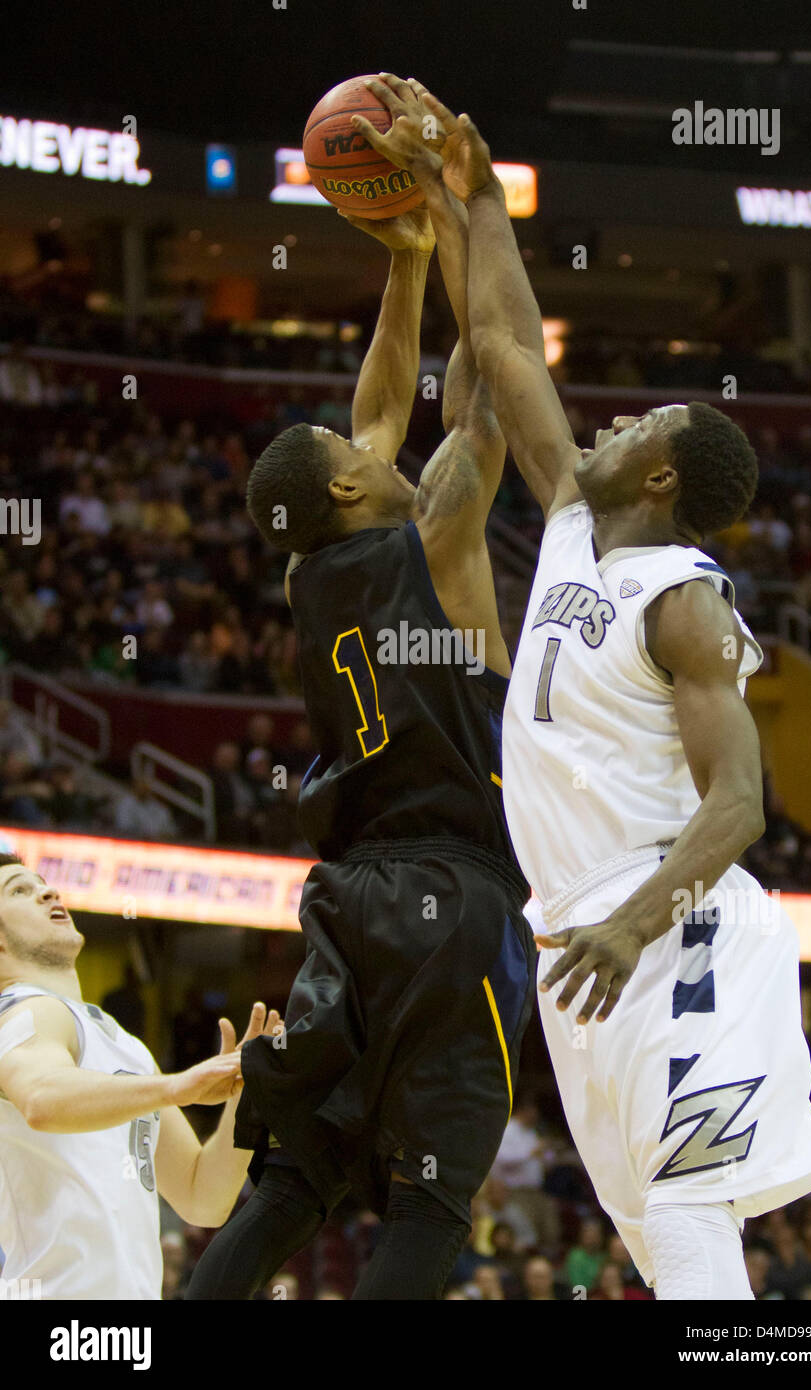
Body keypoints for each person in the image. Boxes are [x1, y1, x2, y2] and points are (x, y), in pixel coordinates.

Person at [361, 82, 811, 1301]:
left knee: (682, 1206)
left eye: (641, 417)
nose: (616, 414)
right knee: (650, 1229)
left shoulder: (685, 597)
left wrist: (639, 922)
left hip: (668, 920)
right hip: (578, 931)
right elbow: (503, 349)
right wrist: (473, 199)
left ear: (661, 473)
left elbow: (740, 800)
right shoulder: (581, 520)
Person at [185, 77, 533, 1303]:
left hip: (352, 898)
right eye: (350, 456)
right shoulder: (433, 534)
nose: (364, 439)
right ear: (350, 492)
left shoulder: (312, 570)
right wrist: (458, 216)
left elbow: (382, 410)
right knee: (433, 1194)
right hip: (454, 885)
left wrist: (397, 261)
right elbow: (484, 386)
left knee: (299, 1178)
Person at [0, 852, 282, 1298]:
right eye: (19, 890)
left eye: (42, 883)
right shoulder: (22, 1012)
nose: (48, 891)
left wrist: (248, 1098)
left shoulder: (123, 1044)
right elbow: (39, 1098)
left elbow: (200, 1197)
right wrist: (176, 1086)